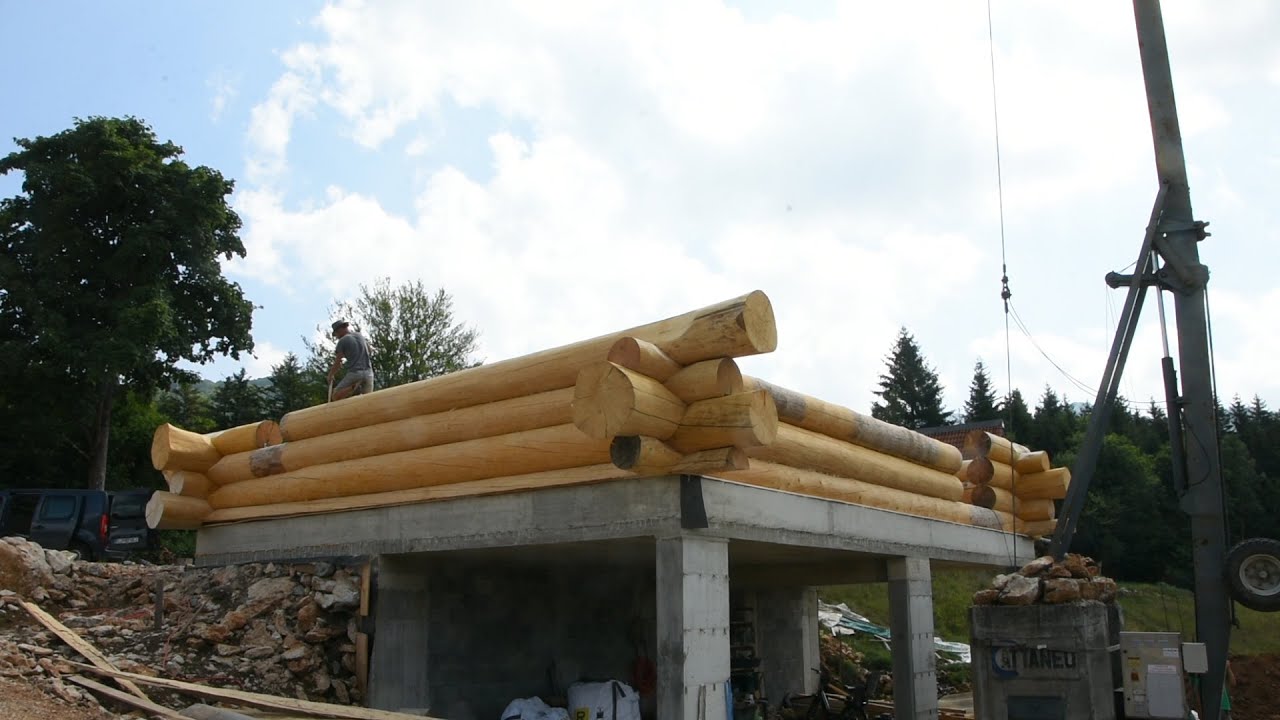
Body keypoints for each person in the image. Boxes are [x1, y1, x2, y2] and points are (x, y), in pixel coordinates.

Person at [327, 319, 374, 401]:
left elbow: (338, 362)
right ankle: (356, 388)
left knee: (335, 395)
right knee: (367, 400)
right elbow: (370, 350)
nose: (337, 336)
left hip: (355, 372)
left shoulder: (342, 341)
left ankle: (354, 386)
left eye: (337, 334)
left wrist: (331, 375)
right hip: (369, 372)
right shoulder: (359, 336)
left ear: (340, 330)